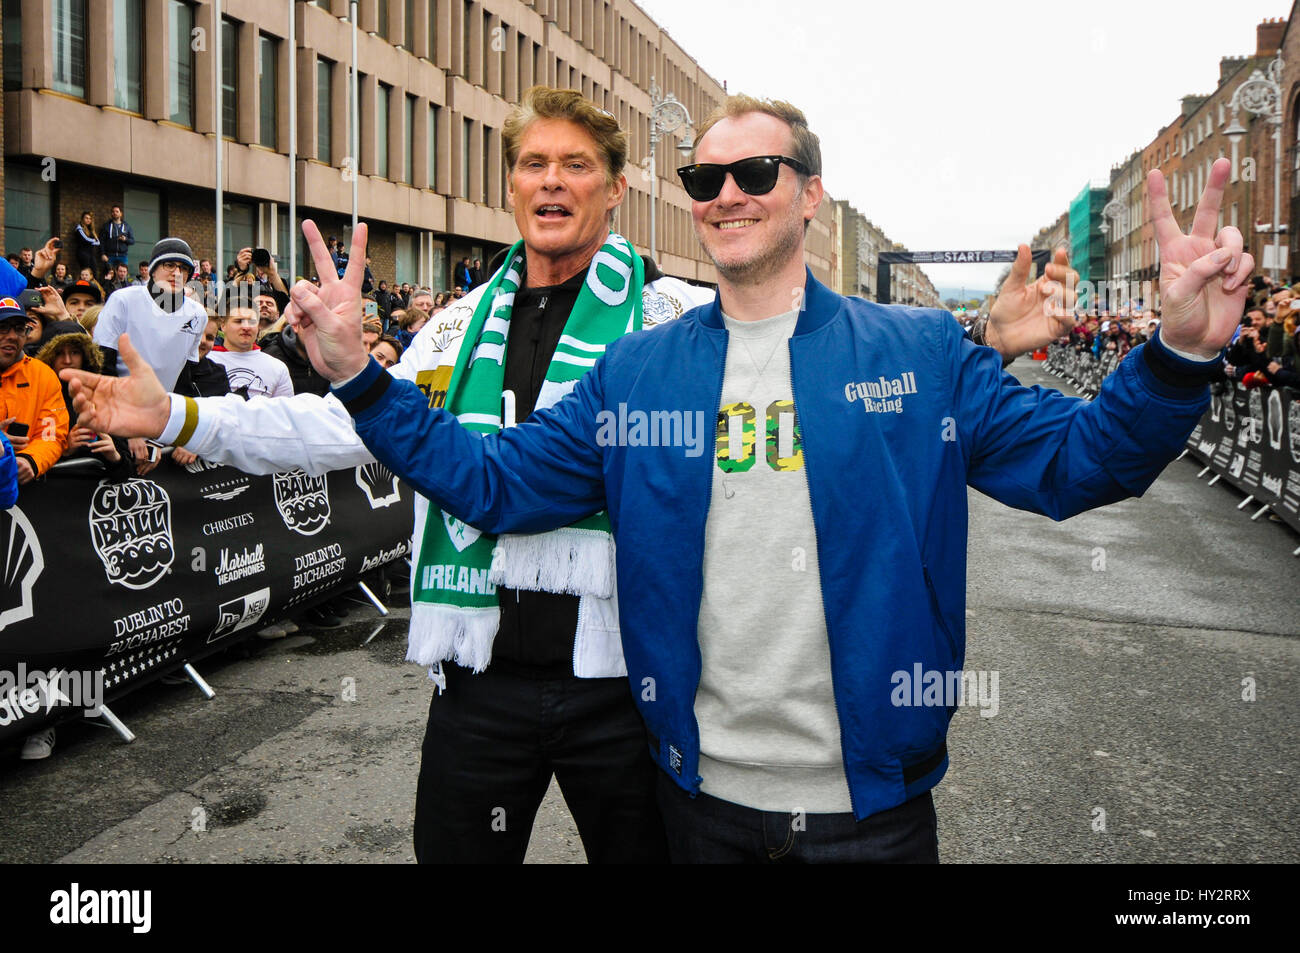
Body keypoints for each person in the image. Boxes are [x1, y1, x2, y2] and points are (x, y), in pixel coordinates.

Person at [63, 88, 1067, 864]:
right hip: (479, 677)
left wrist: (975, 339)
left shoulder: (669, 319)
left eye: (576, 165)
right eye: (533, 163)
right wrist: (181, 413)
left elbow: (813, 360)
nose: (551, 181)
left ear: (613, 188)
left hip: (623, 687)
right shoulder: (455, 328)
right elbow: (340, 424)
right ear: (510, 186)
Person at [93, 237, 206, 474]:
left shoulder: (197, 313)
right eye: (169, 265)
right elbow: (103, 371)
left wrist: (184, 435)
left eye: (184, 268)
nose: (176, 272)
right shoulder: (123, 300)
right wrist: (131, 430)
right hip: (116, 418)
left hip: (163, 421)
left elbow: (185, 381)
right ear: (153, 270)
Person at [207, 285, 294, 399]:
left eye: (252, 322)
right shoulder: (207, 361)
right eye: (238, 321)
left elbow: (284, 412)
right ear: (223, 325)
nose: (246, 327)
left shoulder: (277, 367)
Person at [103, 205, 135, 270]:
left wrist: (125, 239)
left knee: (122, 275)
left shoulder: (127, 226)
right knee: (109, 275)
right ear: (111, 213)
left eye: (117, 211)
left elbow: (132, 241)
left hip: (123, 256)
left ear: (121, 214)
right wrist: (102, 254)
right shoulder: (106, 226)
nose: (115, 213)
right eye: (113, 211)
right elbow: (102, 241)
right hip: (110, 256)